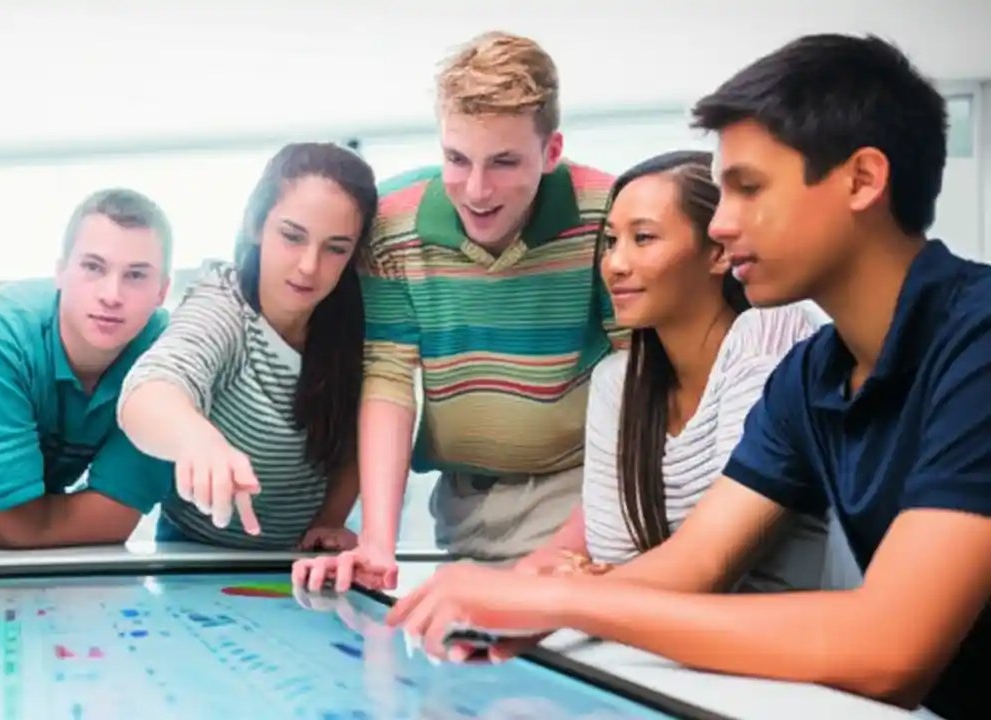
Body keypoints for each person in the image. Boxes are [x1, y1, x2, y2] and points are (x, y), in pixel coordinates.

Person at [384, 34, 990, 720]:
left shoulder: (979, 339)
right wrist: (531, 603)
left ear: (862, 180)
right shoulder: (810, 377)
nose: (722, 225)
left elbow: (891, 649)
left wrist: (559, 598)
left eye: (748, 189)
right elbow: (692, 565)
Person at [293, 31, 621, 590]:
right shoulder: (392, 225)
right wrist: (377, 541)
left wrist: (588, 535)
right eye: (456, 158)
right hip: (464, 508)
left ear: (552, 152)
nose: (475, 190)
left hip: (581, 499)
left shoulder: (610, 213)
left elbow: (637, 378)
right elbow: (390, 381)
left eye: (504, 162)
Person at [514, 150, 828, 592]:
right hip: (661, 640)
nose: (615, 264)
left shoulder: (769, 333)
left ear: (719, 251)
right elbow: (613, 552)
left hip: (776, 644)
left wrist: (587, 587)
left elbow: (716, 562)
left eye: (643, 238)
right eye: (610, 241)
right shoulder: (617, 384)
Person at [117, 142, 375, 550]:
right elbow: (149, 390)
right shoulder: (222, 301)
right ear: (256, 225)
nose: (309, 266)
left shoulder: (358, 323)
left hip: (299, 556)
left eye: (336, 248)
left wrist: (330, 522)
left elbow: (360, 439)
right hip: (192, 548)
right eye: (292, 236)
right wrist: (198, 441)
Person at [0, 189, 173, 548]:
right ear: (60, 272)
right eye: (93, 267)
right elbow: (15, 523)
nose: (111, 294)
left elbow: (114, 519)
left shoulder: (169, 354)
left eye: (136, 275)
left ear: (162, 292)